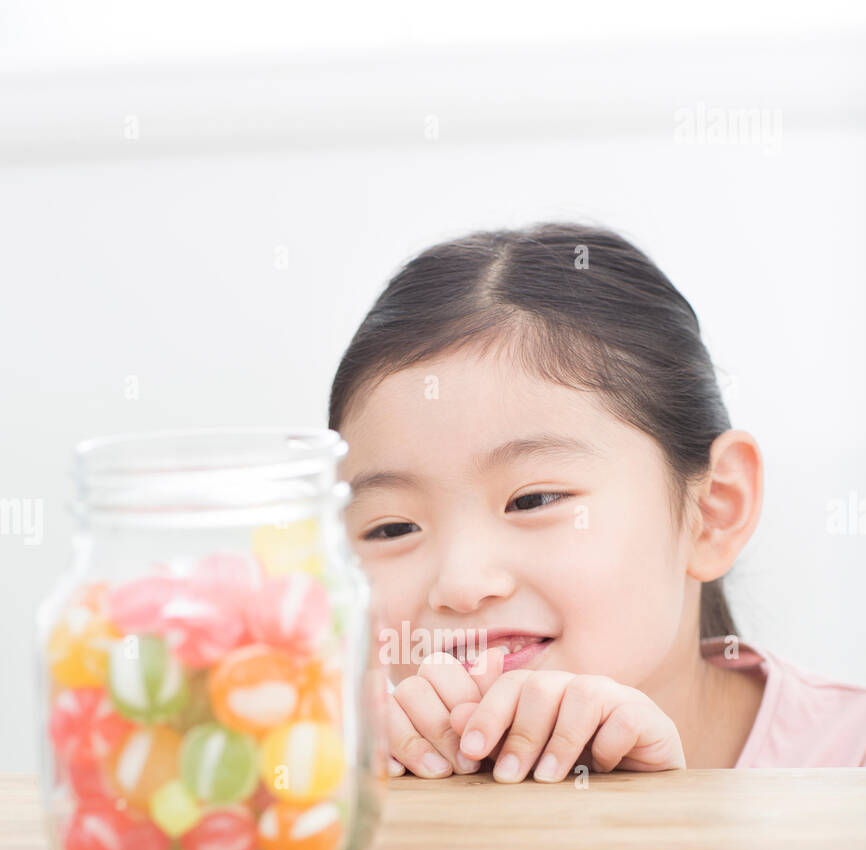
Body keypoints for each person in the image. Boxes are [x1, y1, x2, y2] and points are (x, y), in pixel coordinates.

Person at [329, 223, 866, 779]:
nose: (461, 584)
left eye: (533, 499)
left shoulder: (849, 766)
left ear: (713, 512)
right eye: (392, 529)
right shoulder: (334, 788)